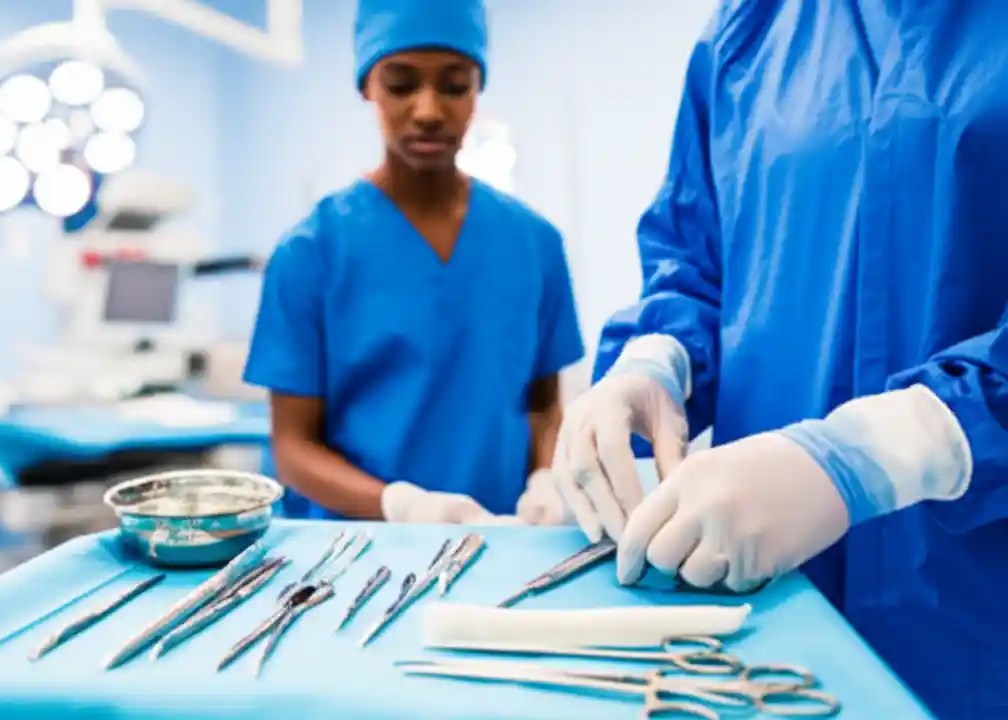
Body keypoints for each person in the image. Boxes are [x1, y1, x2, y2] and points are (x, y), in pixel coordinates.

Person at [549, 2, 1008, 717]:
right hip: (764, 615)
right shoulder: (751, 29)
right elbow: (698, 263)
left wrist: (891, 450)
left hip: (978, 624)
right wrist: (655, 360)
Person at [244, 0, 584, 525]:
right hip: (352, 553)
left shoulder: (534, 243)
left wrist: (547, 476)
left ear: (478, 88)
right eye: (401, 85)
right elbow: (292, 448)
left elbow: (544, 405)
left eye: (454, 85)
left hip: (500, 542)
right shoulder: (310, 252)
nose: (428, 110)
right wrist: (398, 505)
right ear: (367, 87)